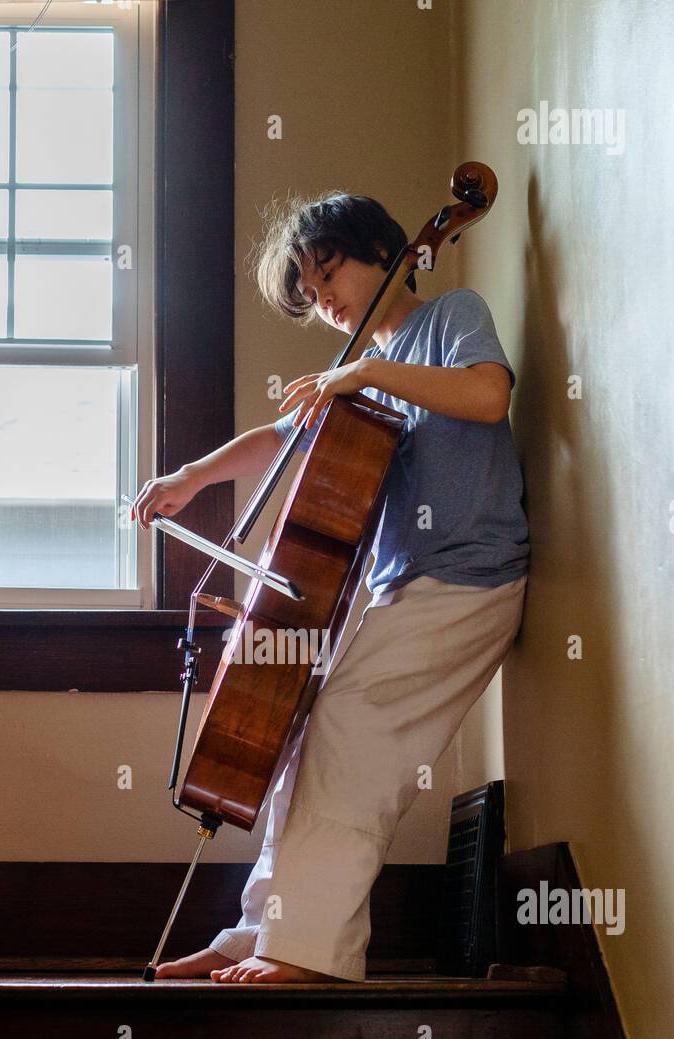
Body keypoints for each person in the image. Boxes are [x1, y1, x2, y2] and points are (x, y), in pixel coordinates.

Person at [132, 192, 529, 984]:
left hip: (470, 575)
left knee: (345, 735)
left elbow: (488, 394)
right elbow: (284, 439)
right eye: (311, 296)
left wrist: (368, 371)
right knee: (306, 740)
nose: (325, 298)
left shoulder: (449, 315)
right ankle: (259, 932)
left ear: (384, 250)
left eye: (330, 271)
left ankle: (314, 953)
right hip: (404, 587)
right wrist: (191, 476)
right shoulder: (355, 376)